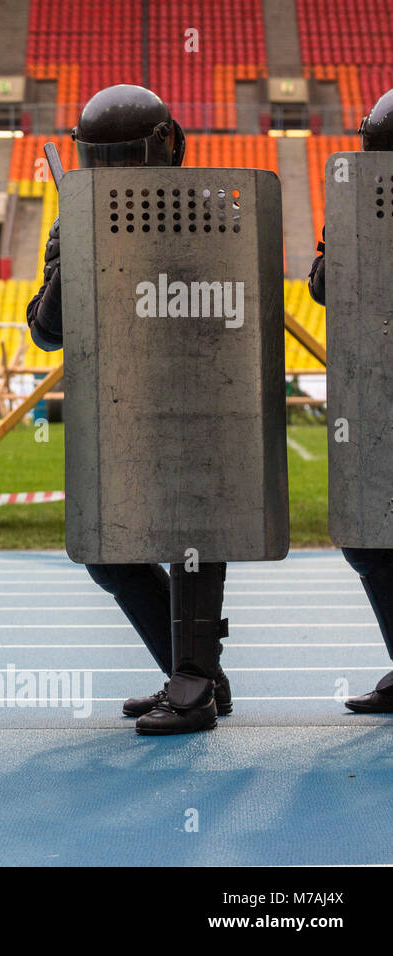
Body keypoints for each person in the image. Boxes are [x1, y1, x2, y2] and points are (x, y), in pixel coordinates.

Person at [27, 84, 232, 735]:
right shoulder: (75, 222)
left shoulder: (213, 209)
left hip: (198, 398)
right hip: (114, 406)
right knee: (108, 553)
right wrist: (74, 251)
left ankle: (195, 682)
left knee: (192, 540)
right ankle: (195, 675)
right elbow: (46, 328)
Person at [307, 88, 393, 714]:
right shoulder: (358, 203)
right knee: (368, 536)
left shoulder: (361, 199)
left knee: (370, 537)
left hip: (376, 391)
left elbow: (322, 286)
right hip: (377, 389)